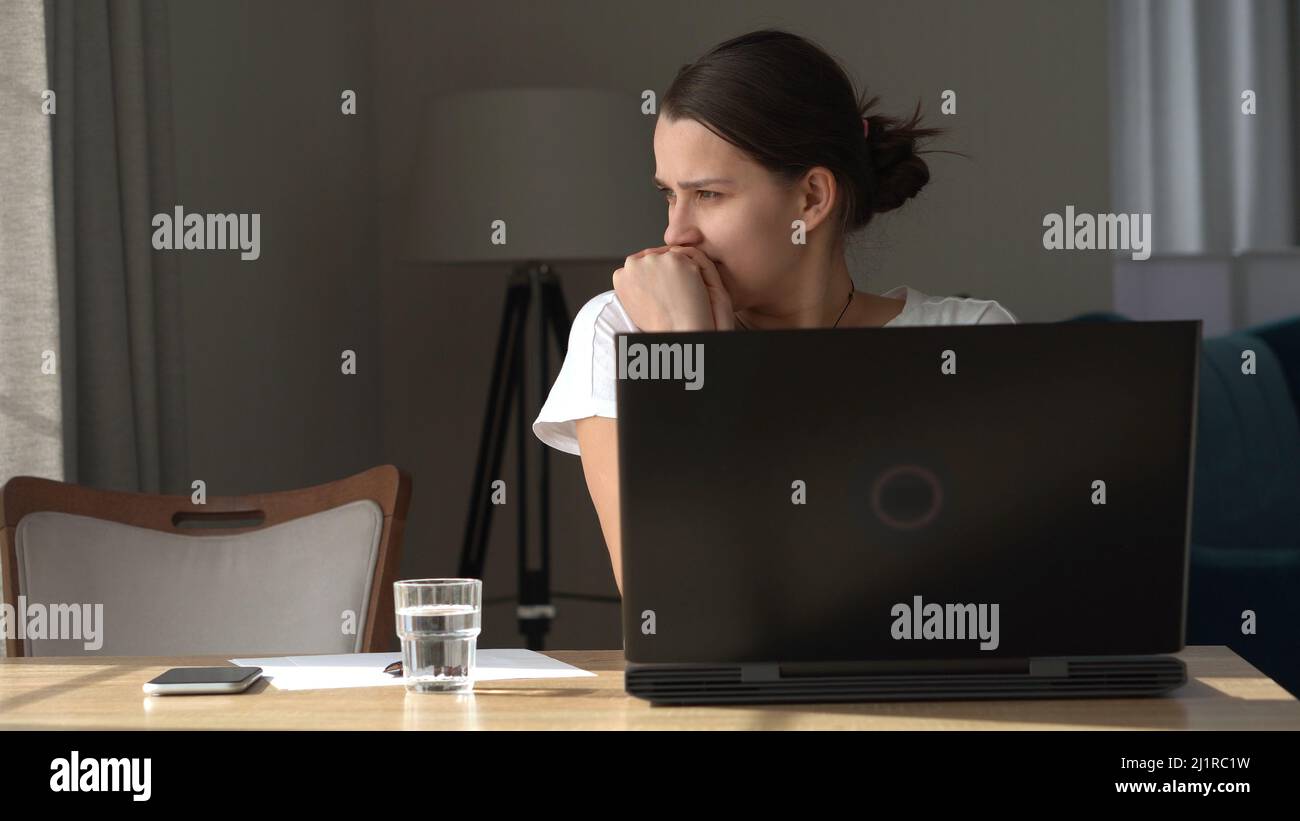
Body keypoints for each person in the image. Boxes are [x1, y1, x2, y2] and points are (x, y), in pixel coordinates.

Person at [532, 28, 1018, 595]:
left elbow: (975, 593)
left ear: (811, 198)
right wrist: (686, 353)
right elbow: (670, 601)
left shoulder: (967, 338)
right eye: (669, 194)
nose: (675, 232)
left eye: (708, 195)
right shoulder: (622, 331)